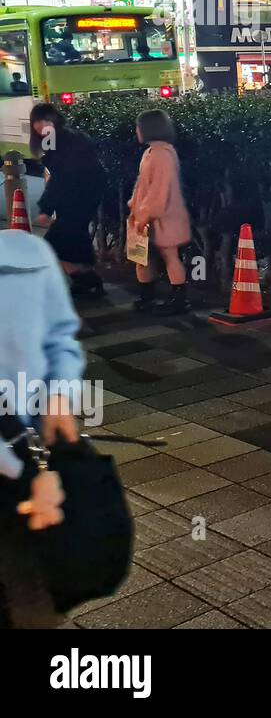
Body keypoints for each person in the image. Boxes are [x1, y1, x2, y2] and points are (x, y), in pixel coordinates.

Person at [0, 229, 85, 629]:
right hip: (20, 465)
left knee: (30, 592)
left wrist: (58, 396)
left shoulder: (27, 258)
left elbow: (60, 341)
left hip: (18, 473)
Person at [28, 103, 106, 297]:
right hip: (83, 198)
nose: (41, 125)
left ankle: (85, 280)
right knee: (74, 240)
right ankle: (88, 280)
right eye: (37, 121)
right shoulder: (66, 137)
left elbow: (62, 178)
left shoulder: (63, 141)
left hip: (77, 199)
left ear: (54, 120)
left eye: (45, 120)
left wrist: (46, 209)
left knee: (53, 244)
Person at [128, 109, 192, 316]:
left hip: (163, 216)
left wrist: (144, 213)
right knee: (144, 257)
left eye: (139, 127)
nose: (137, 131)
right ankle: (152, 297)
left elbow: (158, 191)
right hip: (150, 215)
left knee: (167, 255)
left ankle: (176, 299)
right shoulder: (154, 152)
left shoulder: (161, 154)